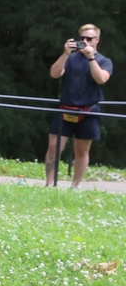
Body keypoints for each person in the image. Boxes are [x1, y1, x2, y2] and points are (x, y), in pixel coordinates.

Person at [44, 24, 113, 188]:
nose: (85, 41)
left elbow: (101, 79)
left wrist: (91, 58)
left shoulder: (104, 61)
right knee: (53, 147)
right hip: (65, 109)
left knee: (81, 150)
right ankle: (49, 184)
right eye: (82, 38)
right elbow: (54, 74)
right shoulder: (70, 58)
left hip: (89, 111)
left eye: (89, 39)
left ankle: (75, 186)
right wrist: (65, 53)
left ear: (97, 40)